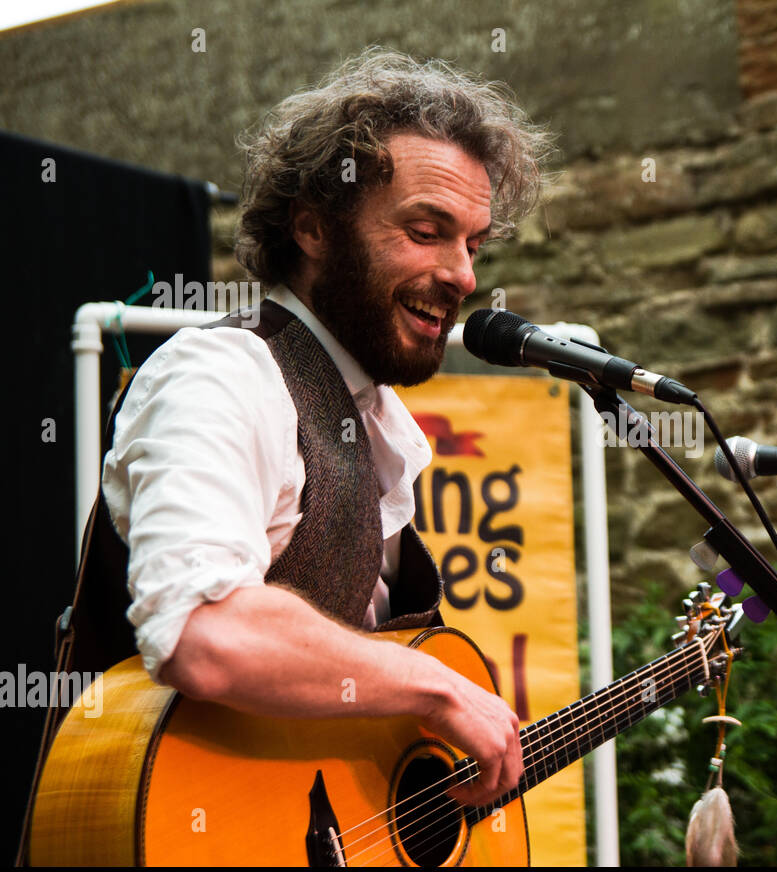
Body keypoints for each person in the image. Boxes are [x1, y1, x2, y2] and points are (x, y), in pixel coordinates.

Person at [80, 49, 556, 808]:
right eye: (426, 231)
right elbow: (201, 630)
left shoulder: (371, 419)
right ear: (313, 228)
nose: (464, 275)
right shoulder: (221, 375)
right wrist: (435, 687)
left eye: (473, 244)